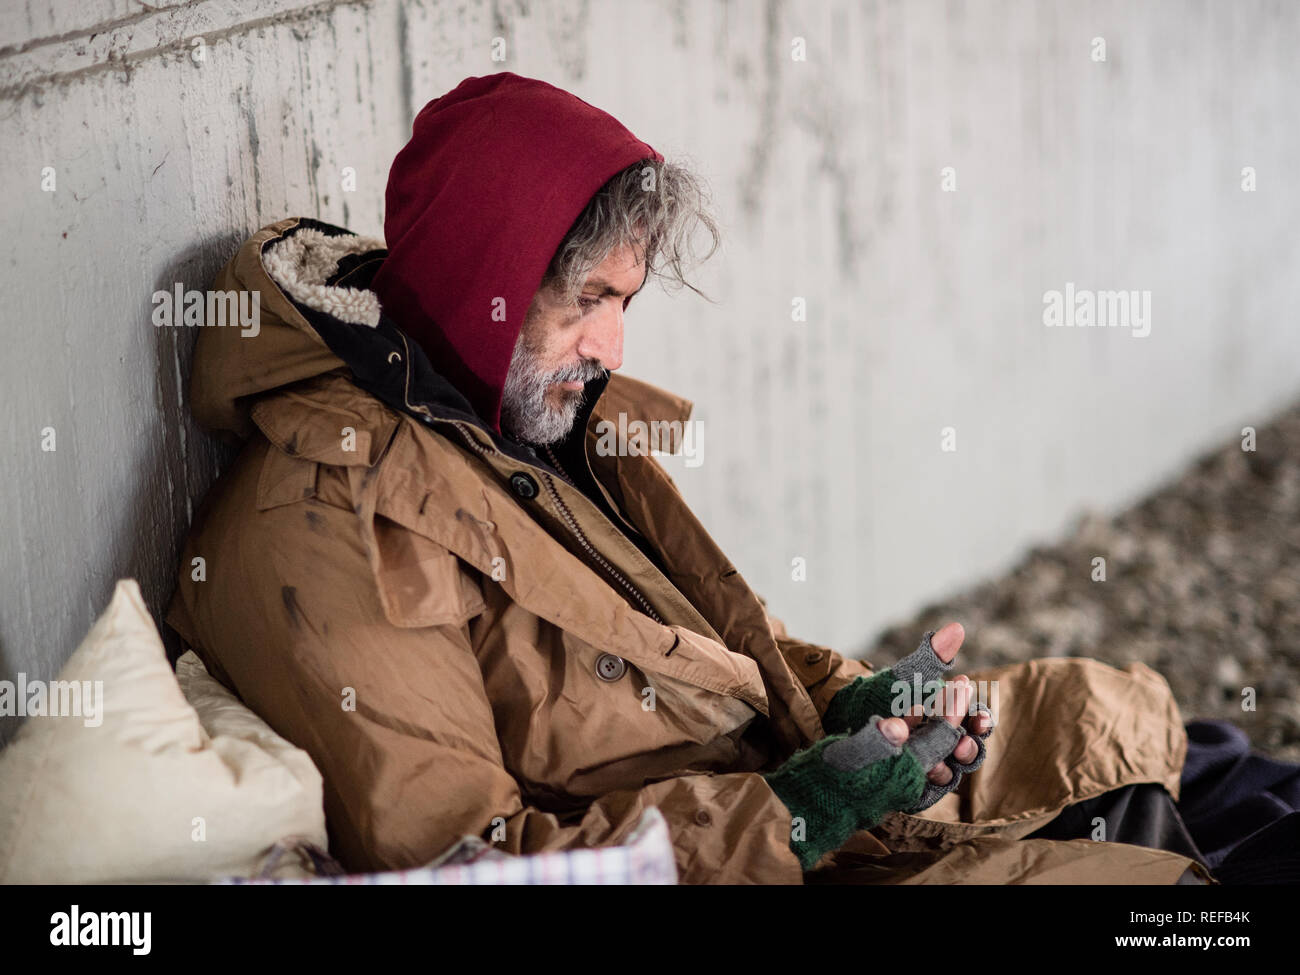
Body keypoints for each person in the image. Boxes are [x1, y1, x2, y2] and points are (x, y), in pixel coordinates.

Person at [165, 71, 1206, 883]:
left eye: (630, 299)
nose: (612, 345)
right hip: (727, 858)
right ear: (489, 275)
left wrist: (856, 713)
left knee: (1130, 731)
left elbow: (702, 655)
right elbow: (467, 865)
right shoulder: (329, 522)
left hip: (759, 816)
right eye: (589, 299)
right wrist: (794, 814)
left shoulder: (514, 417)